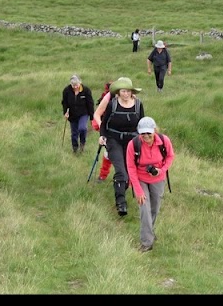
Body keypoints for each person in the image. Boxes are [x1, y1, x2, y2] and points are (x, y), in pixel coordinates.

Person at [92, 77, 145, 216]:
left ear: (132, 92)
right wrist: (102, 136)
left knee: (128, 173)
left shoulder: (138, 105)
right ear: (118, 92)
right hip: (114, 140)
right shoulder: (112, 104)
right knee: (120, 170)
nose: (125, 94)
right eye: (123, 91)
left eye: (128, 91)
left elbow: (142, 125)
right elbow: (104, 123)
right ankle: (121, 203)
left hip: (132, 142)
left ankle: (121, 188)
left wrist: (144, 141)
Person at [128, 116, 174, 252]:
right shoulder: (133, 144)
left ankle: (150, 232)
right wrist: (138, 190)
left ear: (154, 130)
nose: (146, 136)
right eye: (143, 133)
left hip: (158, 179)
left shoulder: (164, 141)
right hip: (140, 179)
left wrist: (162, 170)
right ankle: (147, 242)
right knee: (144, 209)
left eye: (149, 133)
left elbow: (170, 156)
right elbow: (130, 167)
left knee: (154, 209)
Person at [61, 75, 95, 155]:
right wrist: (65, 112)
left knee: (82, 128)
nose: (75, 87)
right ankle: (75, 149)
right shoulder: (66, 90)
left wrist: (91, 117)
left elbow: (90, 103)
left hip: (83, 113)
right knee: (74, 133)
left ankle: (82, 144)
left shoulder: (86, 90)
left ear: (80, 83)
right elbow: (64, 103)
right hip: (72, 115)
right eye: (73, 85)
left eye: (77, 85)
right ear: (71, 84)